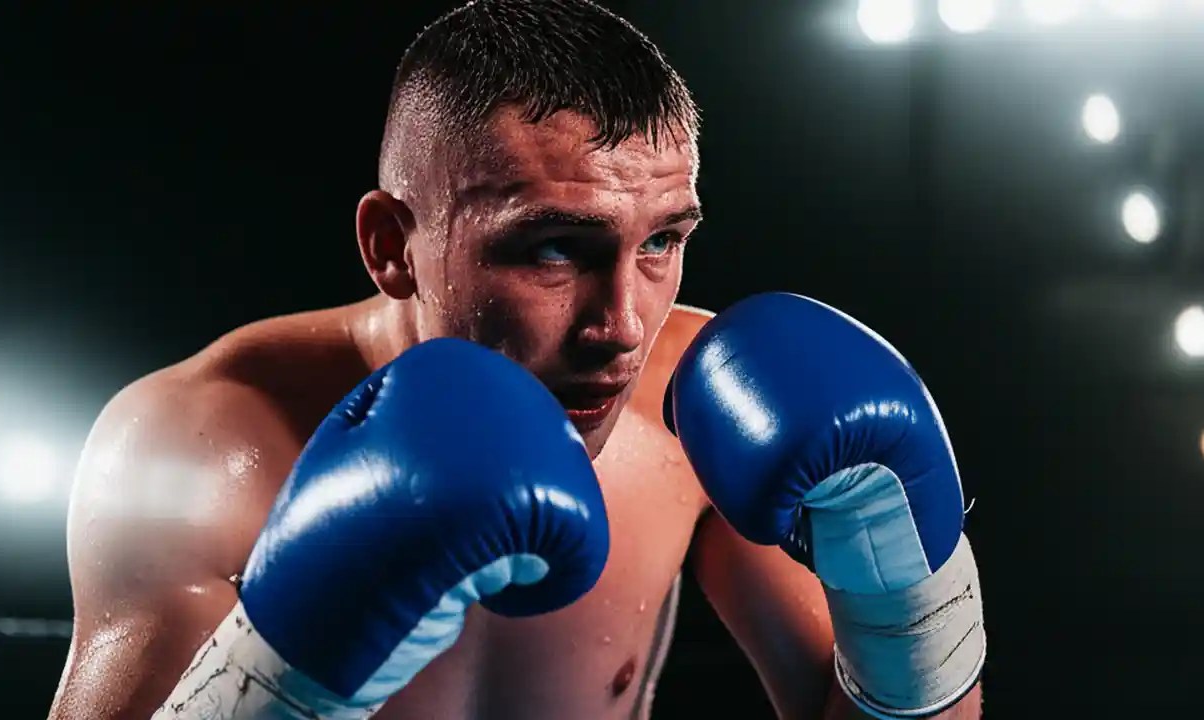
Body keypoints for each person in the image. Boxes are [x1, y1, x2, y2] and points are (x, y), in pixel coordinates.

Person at [48, 1, 985, 718]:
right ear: (392, 247)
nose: (622, 326)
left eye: (661, 242)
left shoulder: (701, 409)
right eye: (554, 249)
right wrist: (279, 678)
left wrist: (915, 605)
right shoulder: (202, 444)